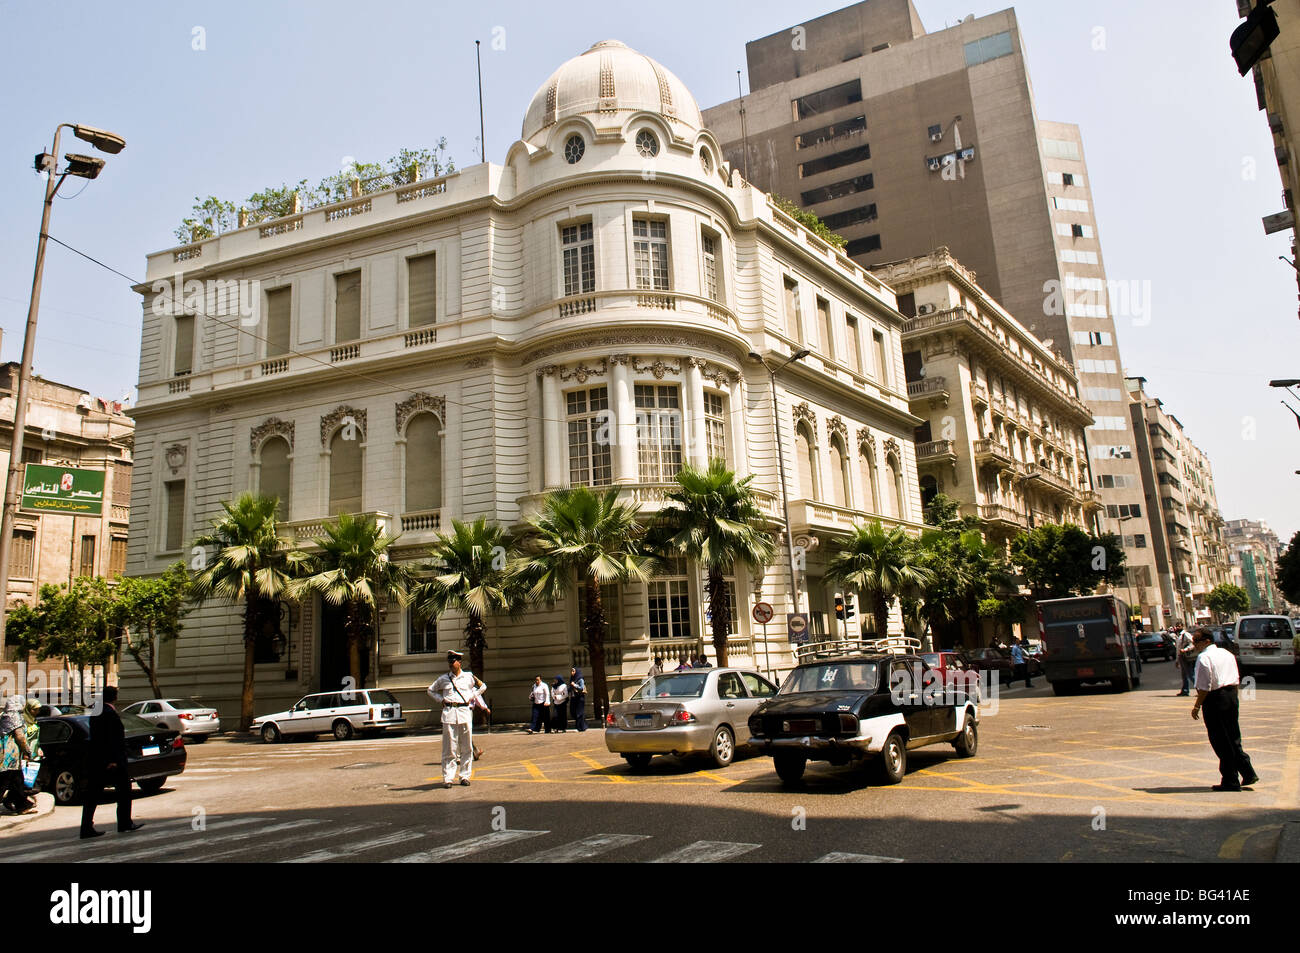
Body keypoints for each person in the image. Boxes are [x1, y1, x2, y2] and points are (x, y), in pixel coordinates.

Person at [1190, 628, 1258, 792]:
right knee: (1233, 736)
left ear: (1207, 641)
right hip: (1230, 696)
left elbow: (1204, 686)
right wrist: (1232, 698)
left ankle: (1230, 780)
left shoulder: (1204, 657)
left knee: (1220, 740)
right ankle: (1248, 772)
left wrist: (1197, 705)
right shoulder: (1227, 654)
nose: (1195, 646)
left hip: (1214, 699)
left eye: (1196, 642)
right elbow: (1236, 678)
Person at [80, 685, 143, 838]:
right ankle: (124, 823)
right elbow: (111, 739)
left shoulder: (97, 712)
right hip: (111, 760)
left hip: (98, 760)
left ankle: (86, 826)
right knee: (124, 791)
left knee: (93, 794)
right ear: (114, 697)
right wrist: (113, 760)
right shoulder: (108, 713)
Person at [426, 650, 483, 789]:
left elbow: (483, 686)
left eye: (454, 662)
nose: (451, 664)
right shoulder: (443, 678)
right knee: (449, 749)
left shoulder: (469, 677)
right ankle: (448, 778)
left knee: (466, 747)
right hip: (449, 714)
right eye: (450, 662)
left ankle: (464, 776)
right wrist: (441, 700)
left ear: (459, 662)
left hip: (464, 712)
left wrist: (472, 695)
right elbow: (430, 690)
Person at [1, 696, 38, 815]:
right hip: (9, 757)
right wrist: (27, 750)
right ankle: (21, 804)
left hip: (6, 756)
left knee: (17, 780)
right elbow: (20, 737)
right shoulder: (15, 717)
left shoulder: (4, 716)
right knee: (4, 782)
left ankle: (22, 805)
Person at [1174, 624, 1196, 697]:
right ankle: (1185, 690)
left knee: (1190, 674)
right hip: (1181, 657)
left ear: (1182, 627)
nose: (1177, 628)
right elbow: (1177, 650)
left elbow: (1193, 644)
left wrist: (1186, 649)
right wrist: (1177, 660)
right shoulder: (1178, 636)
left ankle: (1200, 689)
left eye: (1179, 626)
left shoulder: (1185, 634)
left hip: (1186, 657)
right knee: (1184, 675)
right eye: (1176, 626)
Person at [568, 667, 587, 732]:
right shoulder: (572, 679)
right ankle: (583, 726)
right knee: (573, 712)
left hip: (579, 698)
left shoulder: (580, 679)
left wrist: (574, 685)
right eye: (571, 671)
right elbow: (570, 688)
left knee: (579, 713)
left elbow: (581, 688)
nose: (572, 672)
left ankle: (579, 727)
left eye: (573, 671)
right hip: (573, 698)